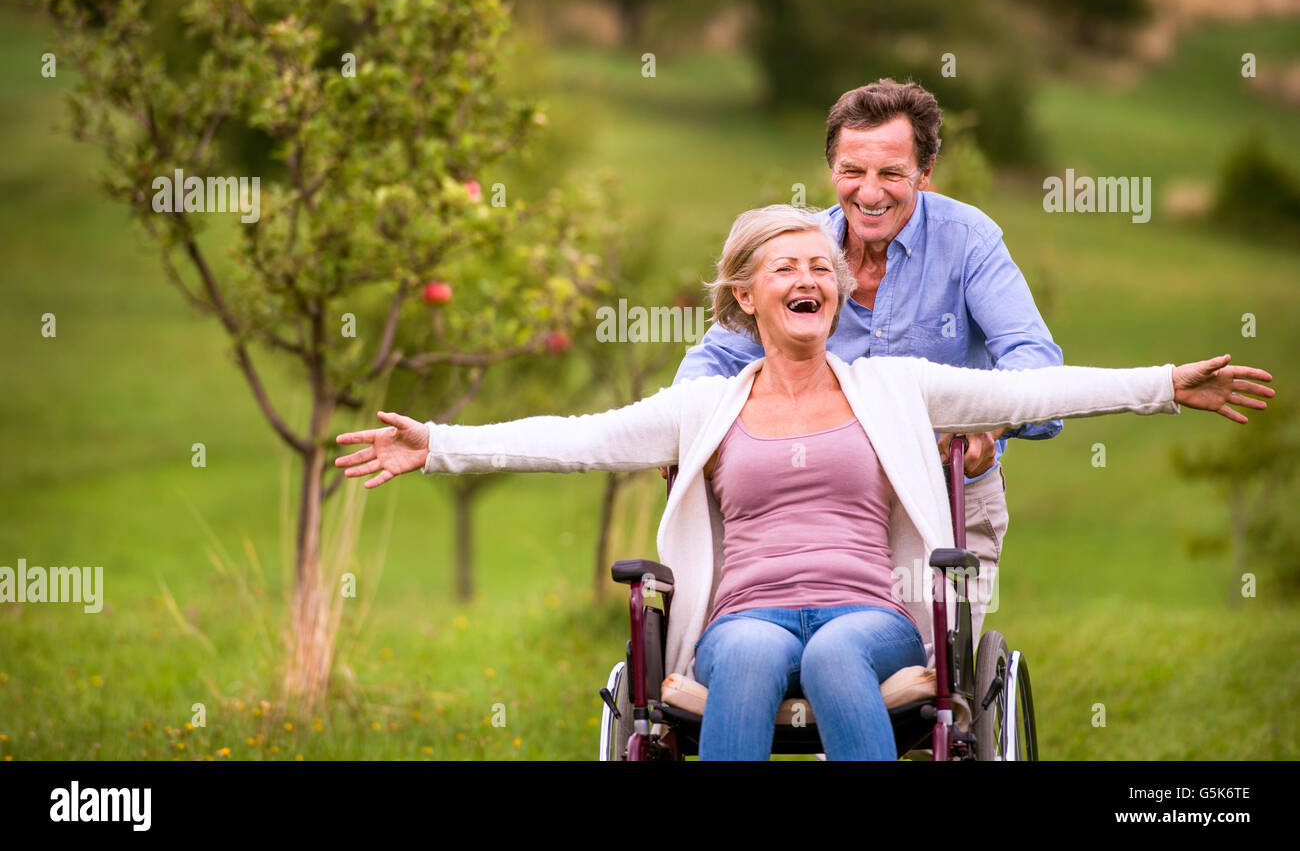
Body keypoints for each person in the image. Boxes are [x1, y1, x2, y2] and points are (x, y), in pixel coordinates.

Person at [334, 206, 1273, 761]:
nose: (811, 276)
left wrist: (1163, 387)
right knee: (740, 657)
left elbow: (1030, 383)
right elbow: (578, 438)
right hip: (746, 610)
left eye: (821, 267)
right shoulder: (703, 401)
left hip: (869, 612)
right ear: (745, 296)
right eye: (787, 267)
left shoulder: (895, 385)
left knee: (829, 660)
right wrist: (441, 444)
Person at [674, 79, 1061, 639]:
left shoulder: (970, 241)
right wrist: (682, 430)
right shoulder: (804, 253)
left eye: (891, 174)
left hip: (945, 496)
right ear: (832, 168)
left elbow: (1036, 360)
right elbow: (714, 358)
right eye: (853, 171)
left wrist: (988, 426)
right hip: (820, 506)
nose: (869, 192)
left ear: (925, 173)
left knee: (936, 687)